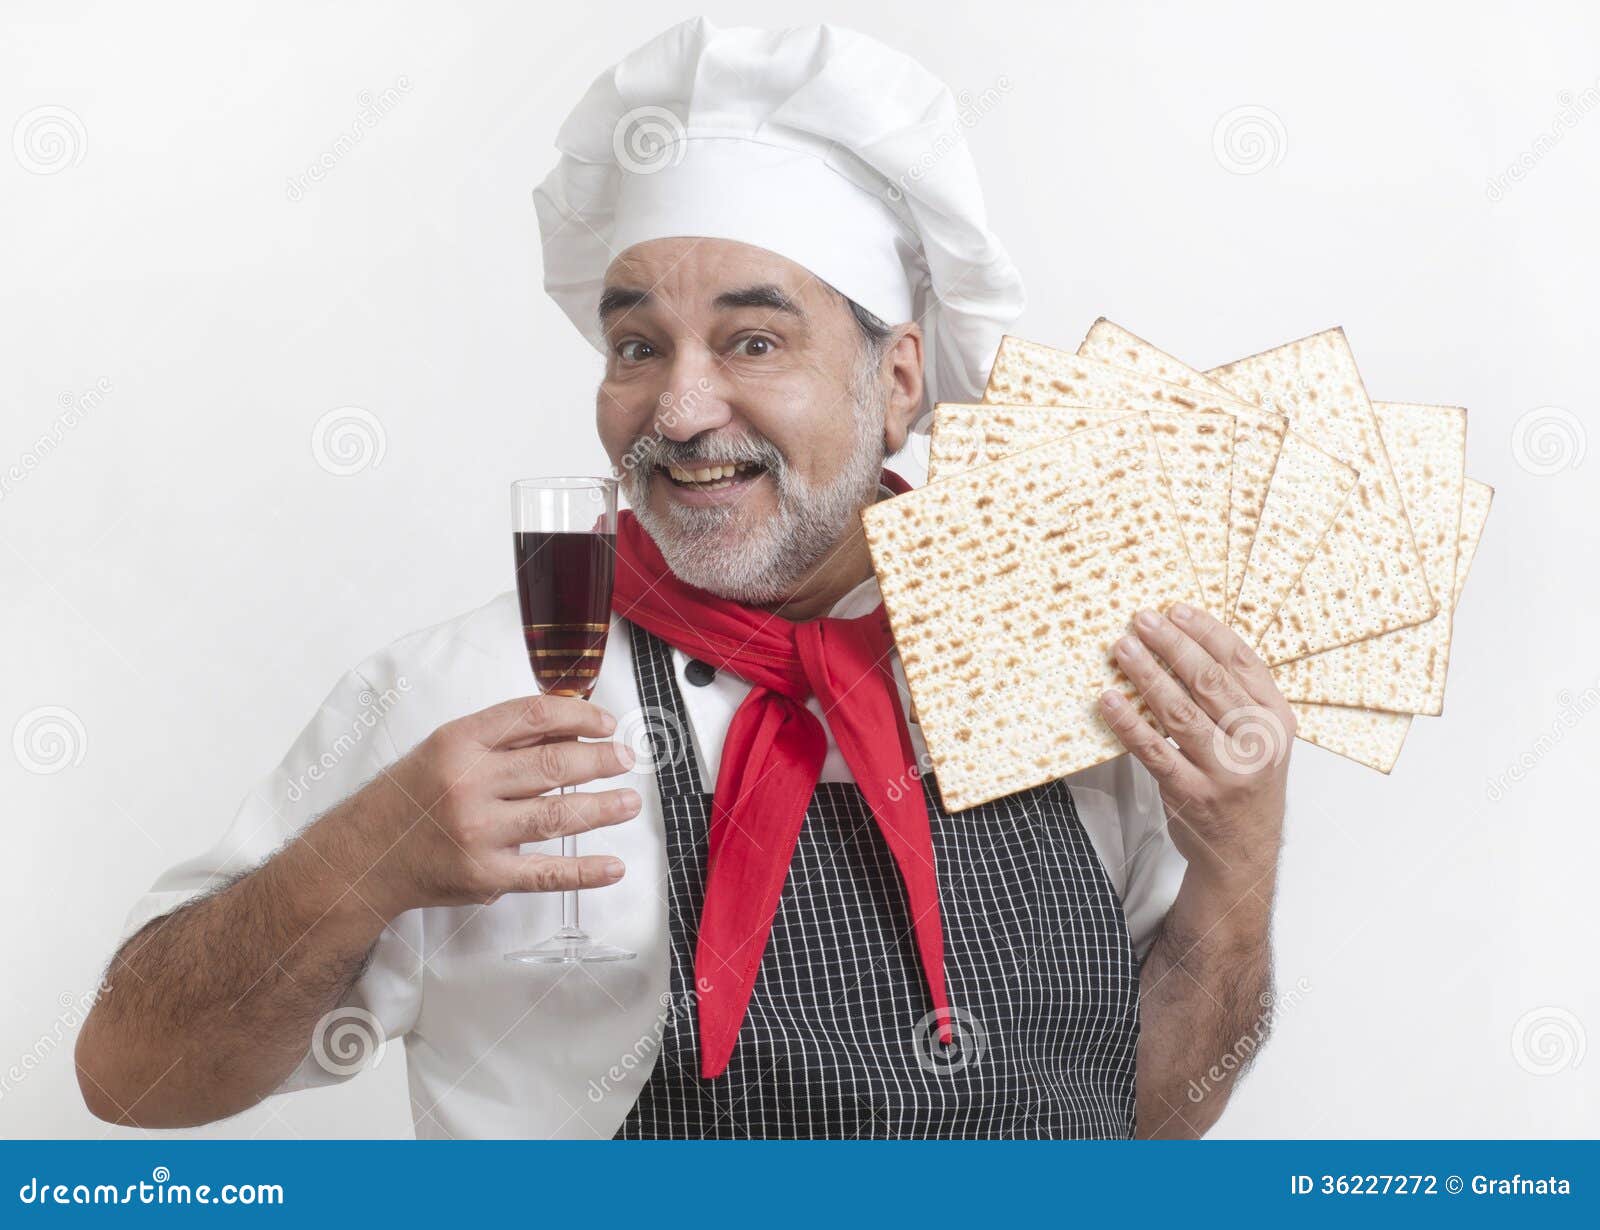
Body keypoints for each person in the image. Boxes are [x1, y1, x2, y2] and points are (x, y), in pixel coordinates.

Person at [76, 17, 1292, 1139]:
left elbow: (1152, 1121)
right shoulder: (470, 697)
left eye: (754, 341)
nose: (680, 408)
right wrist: (366, 861)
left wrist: (1239, 866)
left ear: (902, 379)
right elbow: (132, 1077)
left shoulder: (1074, 677)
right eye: (637, 347)